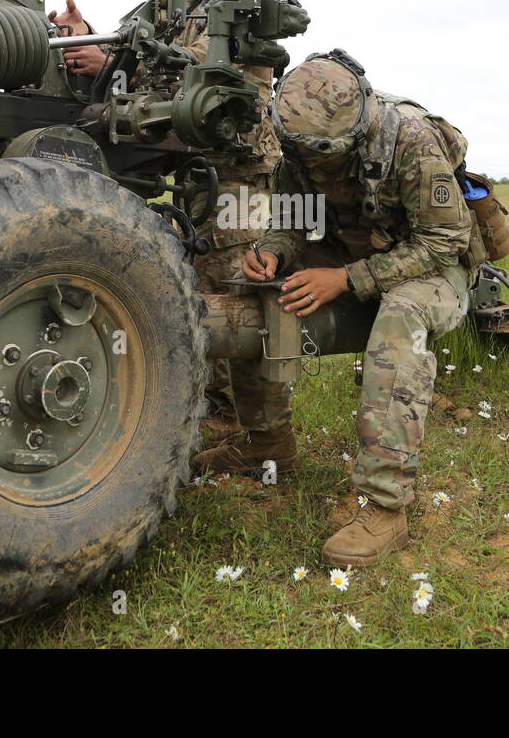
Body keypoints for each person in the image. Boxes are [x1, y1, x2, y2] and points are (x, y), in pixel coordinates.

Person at [196, 50, 480, 567]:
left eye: (321, 156)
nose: (311, 165)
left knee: (400, 322)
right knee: (249, 291)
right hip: (353, 253)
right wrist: (274, 252)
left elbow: (445, 238)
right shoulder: (298, 144)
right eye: (300, 153)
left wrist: (349, 279)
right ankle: (266, 443)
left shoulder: (411, 140)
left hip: (432, 267)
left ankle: (385, 505)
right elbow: (290, 221)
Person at [50, 0, 283, 439]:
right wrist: (86, 36)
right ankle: (213, 411)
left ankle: (251, 435)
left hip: (236, 171)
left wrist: (110, 63)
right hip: (191, 169)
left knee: (233, 296)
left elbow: (206, 87)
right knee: (197, 290)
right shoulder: (166, 7)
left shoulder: (238, 10)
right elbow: (133, 54)